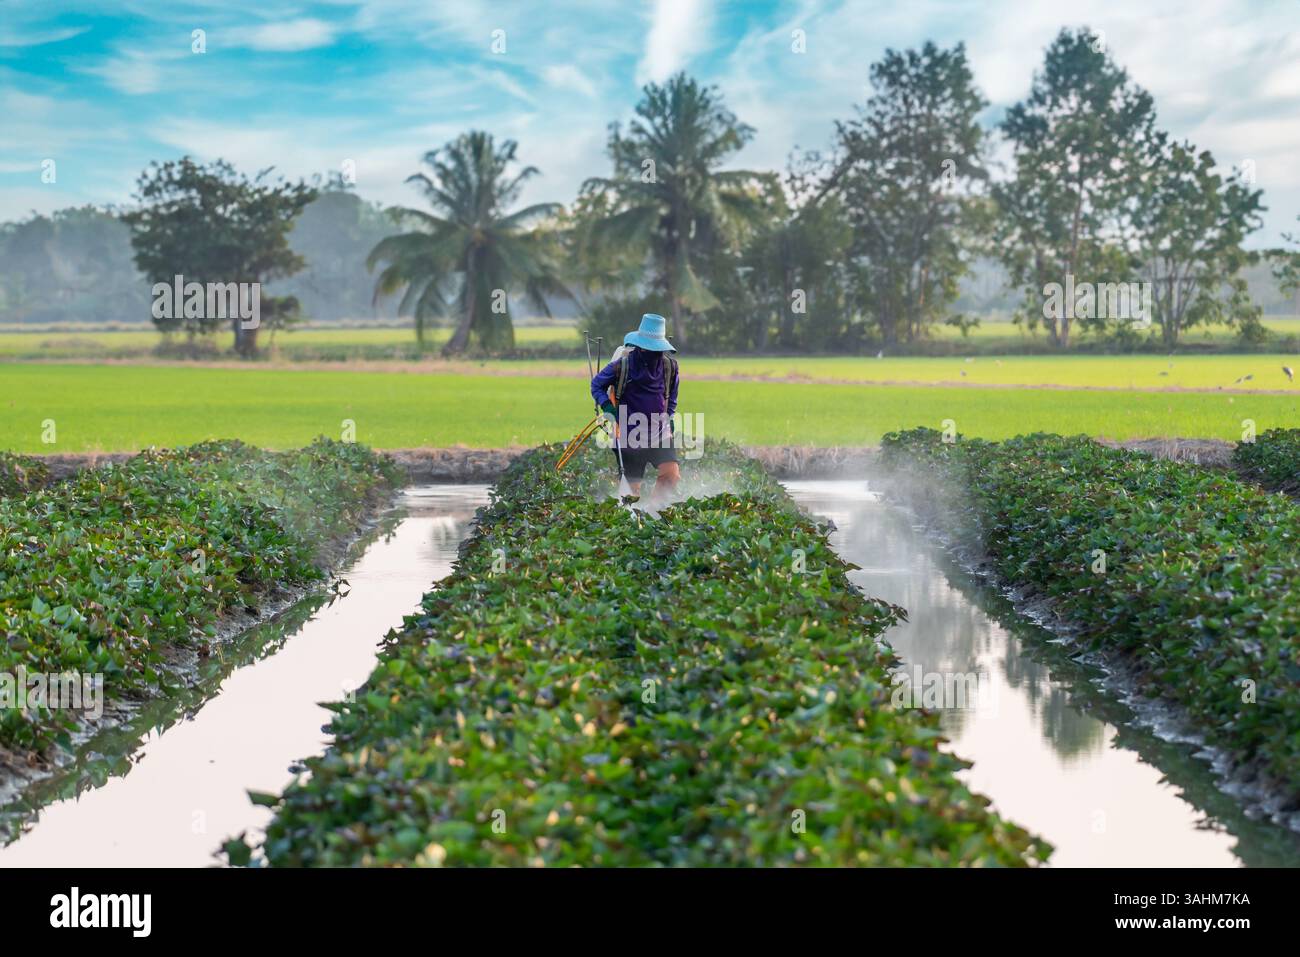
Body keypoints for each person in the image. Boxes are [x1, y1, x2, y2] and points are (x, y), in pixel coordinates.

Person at [589, 313, 680, 504]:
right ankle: (632, 522)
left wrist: (669, 417)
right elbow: (596, 385)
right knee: (632, 495)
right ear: (640, 347)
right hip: (629, 433)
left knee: (671, 475)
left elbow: (672, 397)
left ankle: (654, 512)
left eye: (657, 349)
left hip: (659, 432)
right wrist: (608, 407)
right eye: (649, 349)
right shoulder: (621, 366)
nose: (654, 353)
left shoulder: (669, 366)